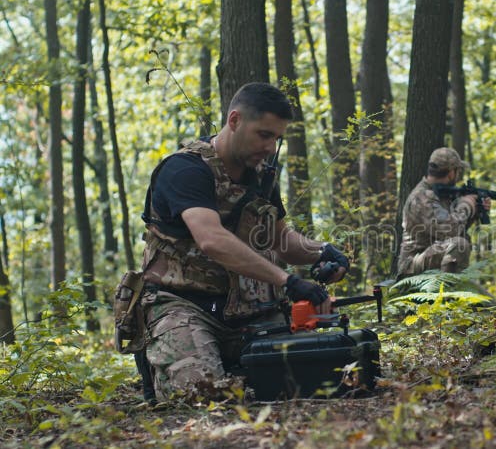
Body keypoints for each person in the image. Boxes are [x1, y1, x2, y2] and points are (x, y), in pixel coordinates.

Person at [138, 82, 349, 401]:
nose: (270, 146)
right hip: (183, 306)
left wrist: (321, 251)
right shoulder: (185, 170)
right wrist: (287, 280)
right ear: (234, 120)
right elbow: (212, 240)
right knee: (200, 395)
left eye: (277, 138)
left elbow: (281, 240)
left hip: (248, 314)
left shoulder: (262, 176)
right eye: (264, 135)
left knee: (310, 380)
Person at [397, 147, 490, 278]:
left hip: (430, 259)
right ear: (451, 173)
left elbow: (457, 229)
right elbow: (450, 230)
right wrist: (466, 205)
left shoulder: (442, 194)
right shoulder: (422, 198)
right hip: (411, 267)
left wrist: (476, 210)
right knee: (459, 244)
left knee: (461, 241)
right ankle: (448, 293)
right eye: (458, 171)